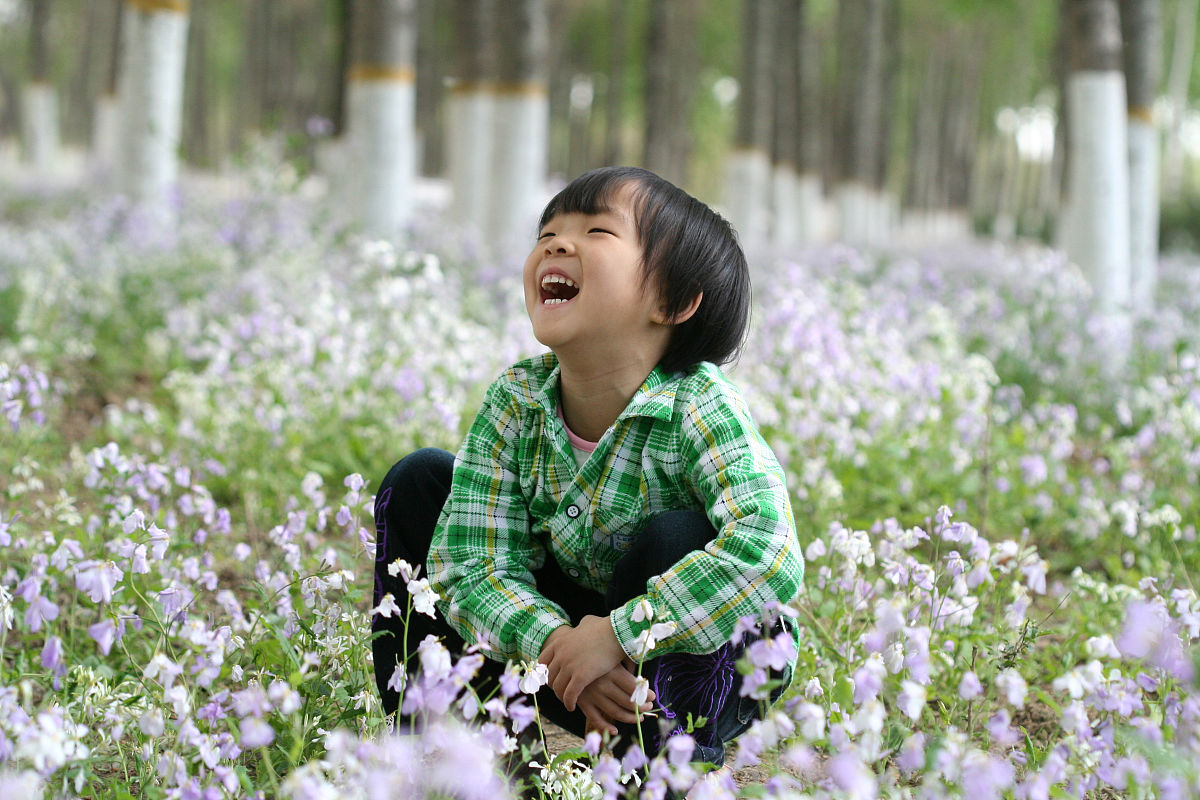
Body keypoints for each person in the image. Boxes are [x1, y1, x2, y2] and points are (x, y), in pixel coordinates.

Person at [371, 165, 805, 777]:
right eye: (547, 231)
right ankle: (468, 766)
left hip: (707, 663)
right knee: (420, 482)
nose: (556, 243)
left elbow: (769, 551)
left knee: (675, 538)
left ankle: (648, 772)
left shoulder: (700, 404)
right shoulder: (516, 400)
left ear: (673, 302)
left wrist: (619, 635)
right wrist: (559, 644)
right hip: (564, 662)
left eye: (598, 231)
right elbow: (469, 564)